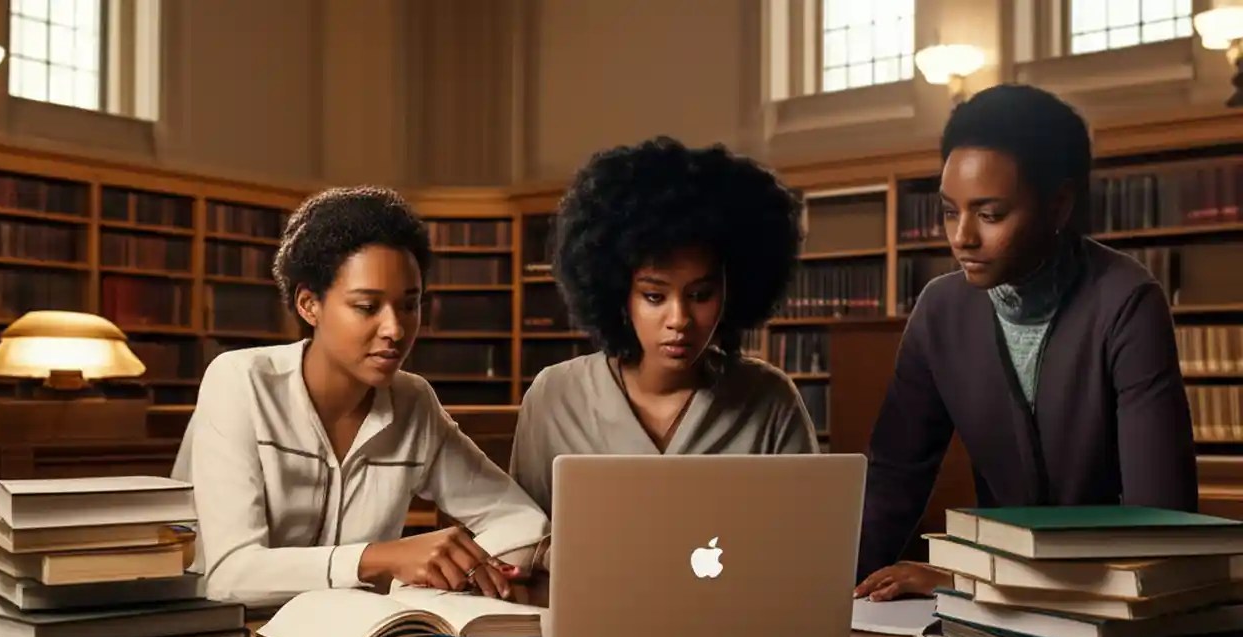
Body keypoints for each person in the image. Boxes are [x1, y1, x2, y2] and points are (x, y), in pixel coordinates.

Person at [853, 84, 1198, 601]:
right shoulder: (940, 310)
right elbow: (892, 482)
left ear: (1058, 206)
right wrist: (826, 594)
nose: (962, 237)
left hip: (1118, 608)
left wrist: (967, 580)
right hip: (994, 613)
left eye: (989, 215)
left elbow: (1162, 527)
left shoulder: (1127, 302)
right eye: (950, 211)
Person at [173, 186, 551, 609]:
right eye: (368, 306)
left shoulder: (414, 402)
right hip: (222, 633)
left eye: (410, 305)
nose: (395, 329)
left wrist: (464, 566)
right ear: (309, 304)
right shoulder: (240, 382)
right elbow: (229, 575)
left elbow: (521, 521)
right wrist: (381, 558)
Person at [510, 136, 819, 517]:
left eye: (701, 295)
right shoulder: (554, 397)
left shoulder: (770, 400)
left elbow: (805, 540)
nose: (679, 320)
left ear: (732, 291)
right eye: (654, 297)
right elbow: (524, 537)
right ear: (619, 293)